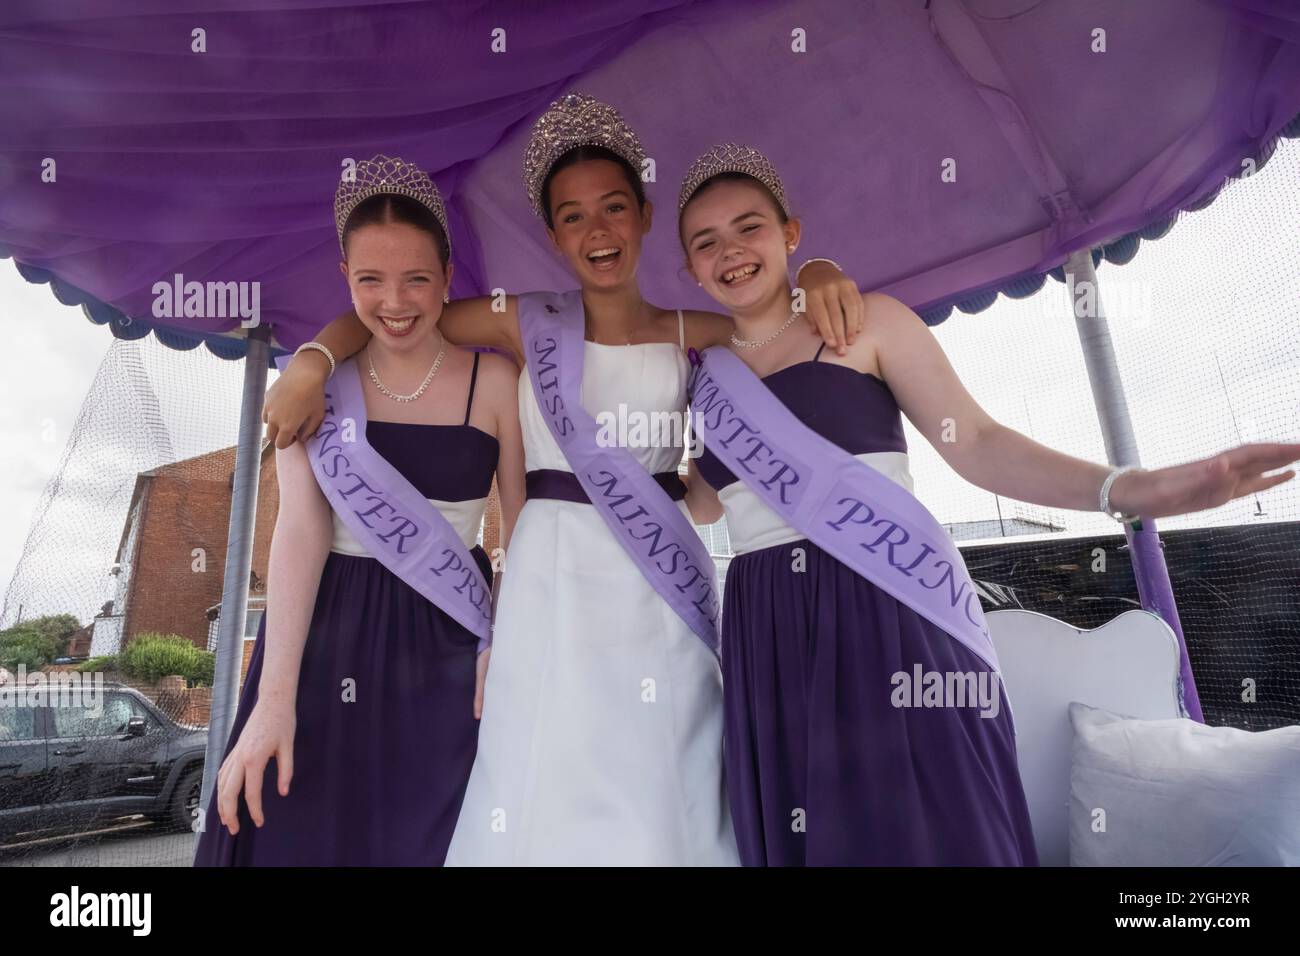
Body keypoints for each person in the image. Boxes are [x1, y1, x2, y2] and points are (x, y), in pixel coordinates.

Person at [263, 95, 863, 865]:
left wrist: (817, 268)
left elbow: (775, 317)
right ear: (552, 234)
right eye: (573, 216)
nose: (597, 230)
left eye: (614, 207)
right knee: (545, 753)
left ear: (645, 216)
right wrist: (314, 358)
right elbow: (404, 308)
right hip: (546, 567)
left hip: (654, 573)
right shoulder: (523, 319)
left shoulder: (696, 330)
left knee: (663, 752)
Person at [676, 144, 1300, 866]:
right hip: (768, 628)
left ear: (790, 233)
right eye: (706, 242)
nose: (730, 251)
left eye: (748, 227)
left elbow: (974, 441)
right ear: (690, 267)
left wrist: (1133, 488)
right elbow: (703, 503)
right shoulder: (704, 385)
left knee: (921, 823)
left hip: (887, 604)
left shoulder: (866, 322)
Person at [194, 156, 525, 865]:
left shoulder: (495, 382)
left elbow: (523, 529)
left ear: (446, 275)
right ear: (345, 276)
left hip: (447, 649)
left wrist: (506, 641)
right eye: (371, 279)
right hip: (320, 641)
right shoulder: (315, 386)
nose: (395, 301)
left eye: (416, 278)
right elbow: (301, 534)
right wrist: (272, 700)